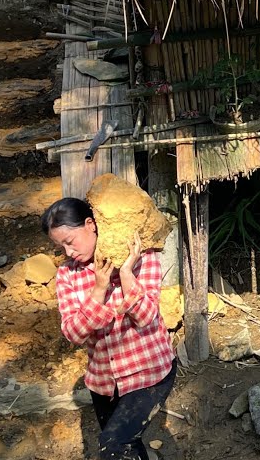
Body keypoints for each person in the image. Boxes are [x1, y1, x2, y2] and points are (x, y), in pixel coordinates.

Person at [42, 197, 176, 460]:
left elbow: (147, 317)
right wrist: (99, 289)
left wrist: (126, 274)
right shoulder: (68, 275)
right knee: (126, 448)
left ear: (90, 224)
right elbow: (73, 333)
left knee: (113, 444)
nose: (68, 252)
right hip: (103, 382)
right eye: (60, 247)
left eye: (70, 241)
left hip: (149, 375)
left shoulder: (142, 257)